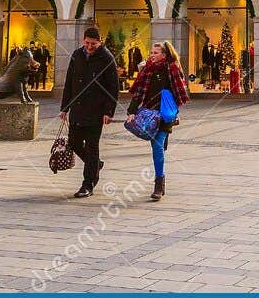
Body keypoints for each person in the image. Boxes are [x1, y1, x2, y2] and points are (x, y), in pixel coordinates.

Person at [58, 25, 120, 198]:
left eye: (93, 44)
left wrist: (109, 111)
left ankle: (88, 184)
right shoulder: (77, 55)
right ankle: (95, 164)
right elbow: (69, 82)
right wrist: (65, 107)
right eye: (87, 43)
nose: (90, 47)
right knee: (74, 142)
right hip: (78, 108)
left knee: (92, 146)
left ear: (100, 41)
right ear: (83, 40)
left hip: (96, 110)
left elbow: (113, 87)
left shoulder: (107, 58)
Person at [125, 40, 190, 202]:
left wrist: (174, 112)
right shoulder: (147, 69)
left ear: (164, 55)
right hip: (150, 114)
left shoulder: (172, 69)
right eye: (151, 53)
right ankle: (160, 181)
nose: (152, 55)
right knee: (157, 145)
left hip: (165, 114)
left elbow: (179, 92)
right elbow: (139, 92)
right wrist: (132, 111)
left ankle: (159, 183)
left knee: (157, 146)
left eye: (155, 53)